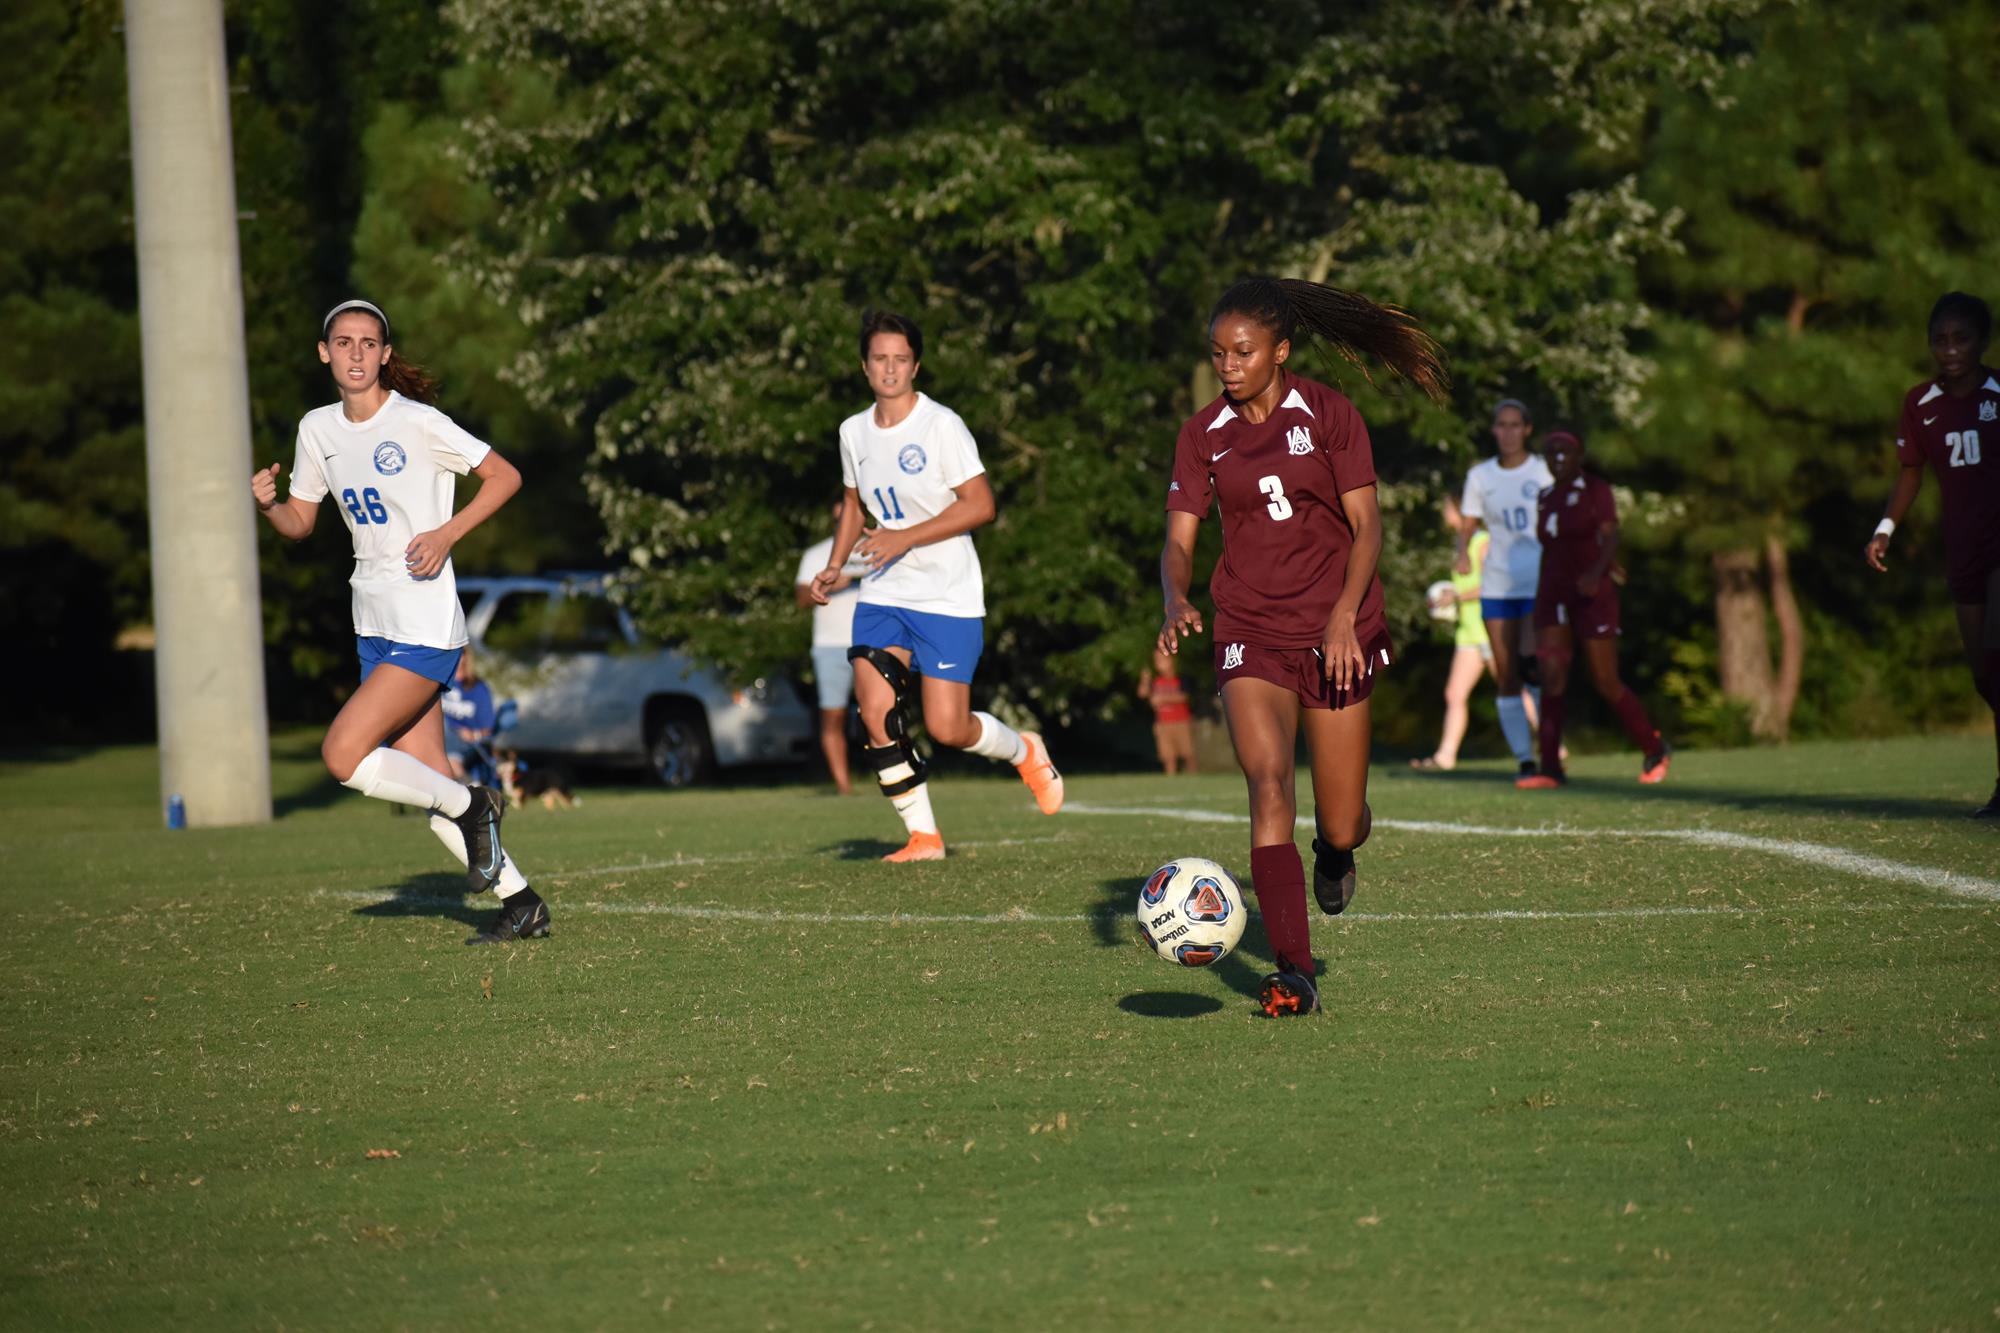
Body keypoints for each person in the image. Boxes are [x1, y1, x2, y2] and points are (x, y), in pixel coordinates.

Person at [1158, 275, 1447, 1017]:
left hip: (1336, 629)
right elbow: (1180, 539)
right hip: (1249, 628)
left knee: (1342, 817)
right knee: (1269, 784)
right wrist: (1176, 594)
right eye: (1217, 352)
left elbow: (1367, 527)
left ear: (1280, 351)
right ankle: (1295, 968)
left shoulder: (1329, 413)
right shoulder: (1202, 435)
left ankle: (1336, 850)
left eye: (1243, 351)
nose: (1227, 364)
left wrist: (1345, 615)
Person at [250, 298, 549, 945]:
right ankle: (521, 902)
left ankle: (477, 804)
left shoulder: (418, 422)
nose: (356, 352)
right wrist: (272, 507)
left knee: (343, 754)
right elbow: (302, 523)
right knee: (430, 778)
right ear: (324, 352)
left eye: (368, 342)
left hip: (424, 619)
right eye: (343, 341)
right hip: (373, 620)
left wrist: (448, 532)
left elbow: (506, 476)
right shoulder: (317, 429)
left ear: (385, 355)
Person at [809, 310, 1064, 862]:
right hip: (882, 592)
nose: (890, 369)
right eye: (880, 358)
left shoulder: (941, 425)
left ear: (916, 365)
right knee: (874, 712)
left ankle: (1024, 749)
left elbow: (982, 505)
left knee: (948, 727)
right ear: (864, 365)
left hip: (947, 594)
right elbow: (854, 504)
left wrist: (904, 537)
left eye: (901, 359)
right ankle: (924, 837)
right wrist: (836, 563)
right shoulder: (852, 432)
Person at [1866, 291, 2000, 817]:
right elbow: (1910, 471)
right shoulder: (1918, 404)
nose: (1950, 350)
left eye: (1960, 338)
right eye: (1940, 340)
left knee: (1997, 657)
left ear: (1982, 343)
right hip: (1962, 549)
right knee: (1984, 678)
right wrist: (1885, 528)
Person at [1515, 429, 1671, 790]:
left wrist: (1597, 572)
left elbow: (1611, 535)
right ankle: (1551, 767)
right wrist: (1541, 596)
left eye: (1565, 452)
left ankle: (1654, 746)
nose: (1557, 458)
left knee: (1605, 680)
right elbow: (1551, 551)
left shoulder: (1596, 490)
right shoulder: (1545, 497)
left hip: (1591, 593)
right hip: (1553, 593)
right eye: (1551, 453)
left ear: (1579, 455)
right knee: (1551, 674)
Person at [1456, 397, 1554, 776]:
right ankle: (1524, 759)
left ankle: (1549, 747)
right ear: (1494, 430)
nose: (1508, 432)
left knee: (1534, 666)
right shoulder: (1481, 476)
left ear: (1527, 429)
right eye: (1502, 425)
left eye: (1516, 425)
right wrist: (1463, 551)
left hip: (1536, 581)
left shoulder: (1542, 472)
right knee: (1507, 672)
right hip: (1497, 585)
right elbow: (1469, 521)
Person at [1411, 496, 1541, 771]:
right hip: (1468, 632)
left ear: (1461, 509)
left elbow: (1491, 583)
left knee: (1513, 689)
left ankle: (1553, 742)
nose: (1444, 511)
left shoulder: (1482, 541)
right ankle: (1445, 756)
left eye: (1447, 506)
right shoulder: (1460, 542)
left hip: (1487, 629)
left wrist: (1455, 595)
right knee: (1454, 694)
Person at [794, 505, 869, 795]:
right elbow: (801, 597)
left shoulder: (876, 548)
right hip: (830, 645)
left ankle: (891, 775)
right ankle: (844, 786)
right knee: (834, 716)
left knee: (876, 712)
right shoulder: (817, 554)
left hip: (870, 641)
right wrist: (831, 586)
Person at [1137, 648, 1198, 775]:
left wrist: (1164, 699)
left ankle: (1194, 777)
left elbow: (1185, 696)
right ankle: (1171, 779)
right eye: (1156, 660)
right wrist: (1145, 680)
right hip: (1162, 724)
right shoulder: (1155, 681)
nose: (1157, 663)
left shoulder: (1181, 678)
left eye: (1161, 659)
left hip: (1181, 722)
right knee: (1168, 756)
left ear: (1172, 660)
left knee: (1188, 753)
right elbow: (1142, 694)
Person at [441, 650, 497, 781]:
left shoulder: (478, 688)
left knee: (448, 730)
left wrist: (473, 734)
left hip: (467, 742)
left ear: (466, 658)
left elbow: (487, 728)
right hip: (439, 736)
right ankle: (467, 783)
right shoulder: (440, 683)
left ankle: (461, 776)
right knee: (443, 723)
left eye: (459, 653)